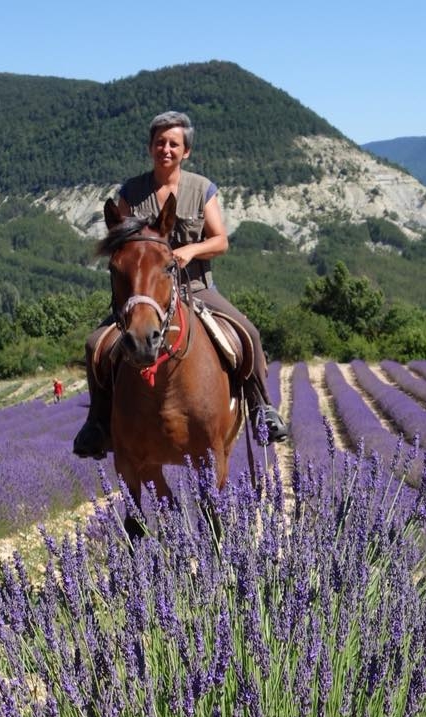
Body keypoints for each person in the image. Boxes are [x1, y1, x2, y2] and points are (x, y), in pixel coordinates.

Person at [73, 110, 288, 459]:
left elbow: (220, 241)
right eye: (160, 143)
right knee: (95, 344)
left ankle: (262, 407)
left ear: (185, 151)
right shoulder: (131, 192)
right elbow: (120, 242)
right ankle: (97, 424)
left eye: (174, 144)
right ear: (150, 148)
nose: (166, 149)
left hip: (197, 287)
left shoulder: (202, 189)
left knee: (248, 333)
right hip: (144, 294)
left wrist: (190, 249)